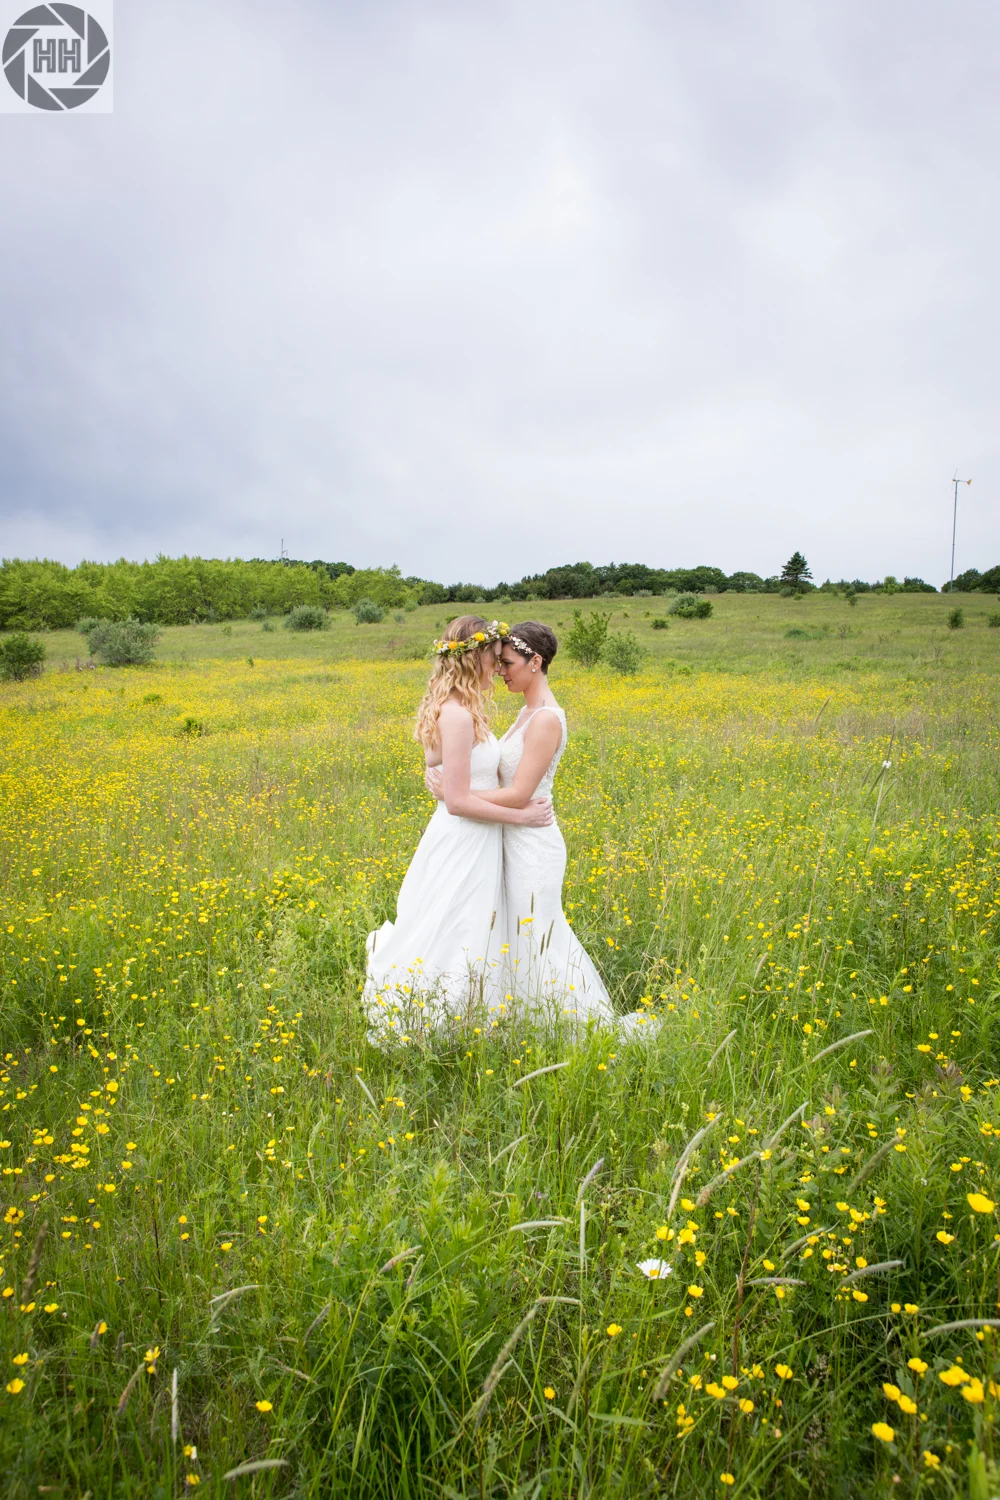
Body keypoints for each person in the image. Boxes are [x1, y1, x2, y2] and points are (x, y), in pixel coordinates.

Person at [426, 621, 657, 1034]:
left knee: (539, 932)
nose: (500, 671)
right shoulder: (524, 712)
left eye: (508, 663)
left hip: (532, 839)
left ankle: (574, 1025)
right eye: (498, 662)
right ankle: (524, 1020)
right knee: (515, 934)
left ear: (535, 662)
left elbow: (519, 794)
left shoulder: (547, 719)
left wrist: (453, 794)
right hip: (506, 837)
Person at [363, 615, 553, 1045]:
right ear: (474, 658)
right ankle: (445, 1016)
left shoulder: (459, 708)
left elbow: (440, 769)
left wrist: (447, 786)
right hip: (465, 836)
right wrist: (521, 816)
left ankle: (474, 1008)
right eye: (494, 658)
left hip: (472, 835)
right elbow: (459, 800)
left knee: (469, 922)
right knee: (458, 923)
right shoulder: (458, 715)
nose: (498, 668)